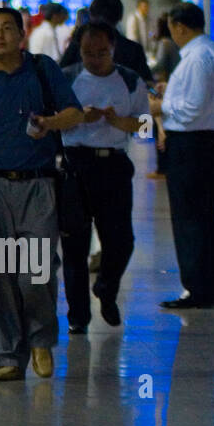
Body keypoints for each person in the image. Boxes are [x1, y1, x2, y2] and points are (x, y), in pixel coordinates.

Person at [0, 7, 84, 380]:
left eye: (7, 29)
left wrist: (49, 123)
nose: (0, 35)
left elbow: (75, 113)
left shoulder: (43, 70)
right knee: (2, 274)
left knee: (36, 271)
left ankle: (41, 340)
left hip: (39, 184)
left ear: (21, 33)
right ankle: (10, 356)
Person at [58, 21, 149, 332]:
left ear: (113, 49)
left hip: (113, 165)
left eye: (101, 53)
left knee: (121, 240)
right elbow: (51, 122)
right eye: (87, 53)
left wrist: (120, 122)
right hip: (75, 164)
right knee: (74, 245)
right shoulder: (67, 78)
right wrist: (78, 117)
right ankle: (78, 316)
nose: (94, 59)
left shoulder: (129, 80)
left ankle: (107, 287)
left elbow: (146, 126)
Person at [148, 3, 214, 310]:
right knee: (204, 217)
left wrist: (162, 107)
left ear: (181, 27)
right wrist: (171, 92)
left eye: (172, 28)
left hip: (191, 144)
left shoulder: (196, 58)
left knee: (189, 218)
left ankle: (197, 289)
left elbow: (194, 106)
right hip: (208, 142)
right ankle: (208, 287)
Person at [59, 0, 154, 84]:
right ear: (120, 17)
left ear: (91, 15)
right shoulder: (134, 50)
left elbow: (60, 76)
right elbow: (147, 84)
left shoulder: (79, 44)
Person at [145, 15, 181, 180]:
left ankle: (162, 168)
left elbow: (159, 65)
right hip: (170, 88)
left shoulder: (164, 44)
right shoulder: (174, 44)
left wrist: (147, 66)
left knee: (158, 124)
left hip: (160, 88)